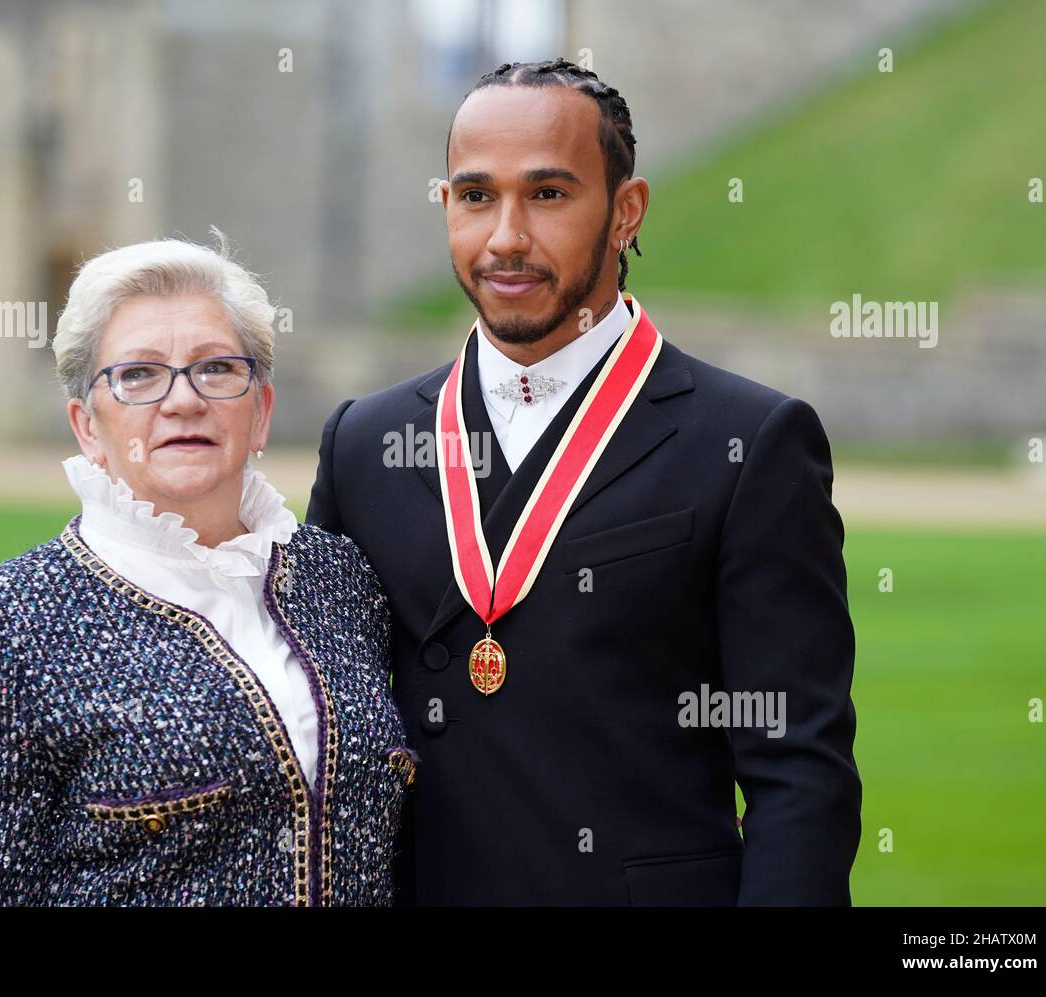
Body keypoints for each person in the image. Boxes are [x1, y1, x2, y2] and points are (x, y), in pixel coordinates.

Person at [307, 59, 862, 905]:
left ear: (625, 212)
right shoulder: (364, 441)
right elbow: (318, 724)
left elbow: (799, 776)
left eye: (550, 195)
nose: (506, 238)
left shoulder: (750, 440)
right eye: (474, 195)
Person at [0, 232, 414, 906]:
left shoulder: (340, 580)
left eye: (217, 368)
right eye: (138, 374)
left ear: (261, 412)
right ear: (88, 427)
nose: (183, 400)